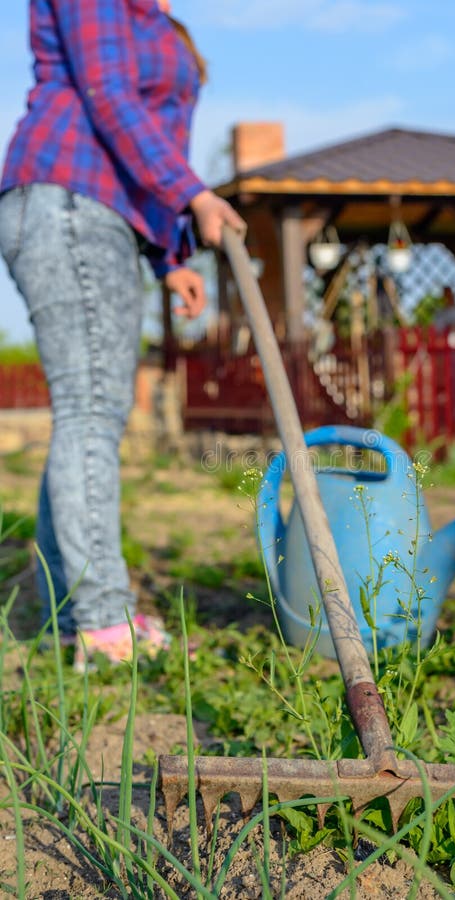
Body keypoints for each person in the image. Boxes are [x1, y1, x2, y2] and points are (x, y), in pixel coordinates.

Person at [0, 0, 245, 671]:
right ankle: (104, 624)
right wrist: (194, 196)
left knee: (88, 415)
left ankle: (66, 618)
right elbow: (108, 95)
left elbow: (158, 131)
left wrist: (171, 255)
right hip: (69, 197)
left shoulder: (159, 17)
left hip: (102, 214)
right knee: (89, 413)